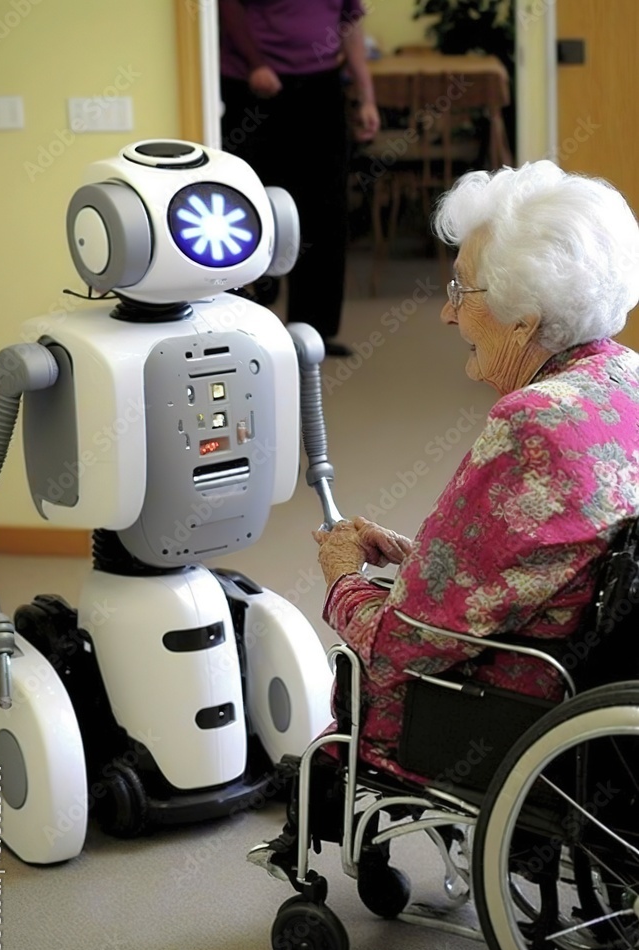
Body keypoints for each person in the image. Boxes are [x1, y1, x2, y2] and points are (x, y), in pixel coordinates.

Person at [248, 159, 639, 874]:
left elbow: (401, 645)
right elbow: (550, 551)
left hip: (510, 701)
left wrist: (342, 577)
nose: (446, 312)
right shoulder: (623, 378)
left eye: (462, 290)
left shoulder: (532, 423)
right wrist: (418, 553)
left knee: (360, 672)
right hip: (593, 657)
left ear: (524, 319)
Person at [218, 0, 380, 356]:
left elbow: (350, 25)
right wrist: (255, 64)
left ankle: (313, 333)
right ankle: (244, 328)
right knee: (249, 206)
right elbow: (228, 7)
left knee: (325, 208)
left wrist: (366, 96)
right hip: (253, 86)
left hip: (320, 87)